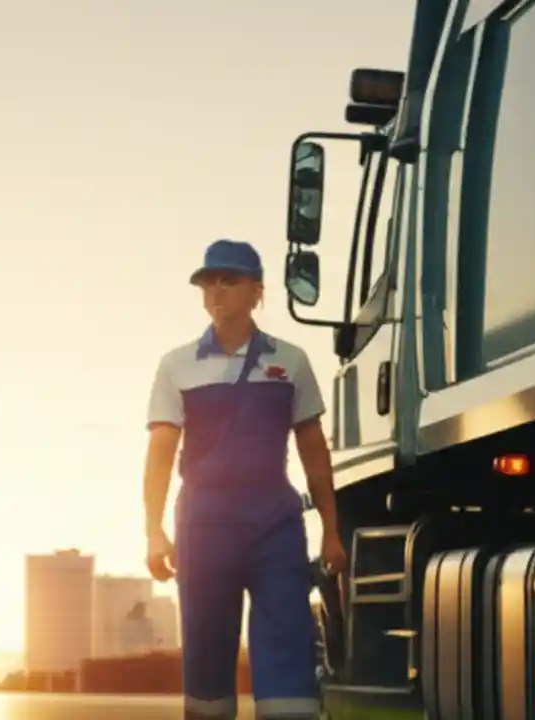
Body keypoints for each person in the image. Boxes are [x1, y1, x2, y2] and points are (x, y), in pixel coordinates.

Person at [142, 238, 348, 719]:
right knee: (207, 653)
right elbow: (160, 452)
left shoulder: (291, 361)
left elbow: (313, 449)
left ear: (257, 291)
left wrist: (332, 532)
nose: (216, 291)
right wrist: (154, 530)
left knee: (288, 647)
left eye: (229, 281)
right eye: (208, 282)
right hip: (203, 524)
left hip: (273, 523)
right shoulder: (177, 365)